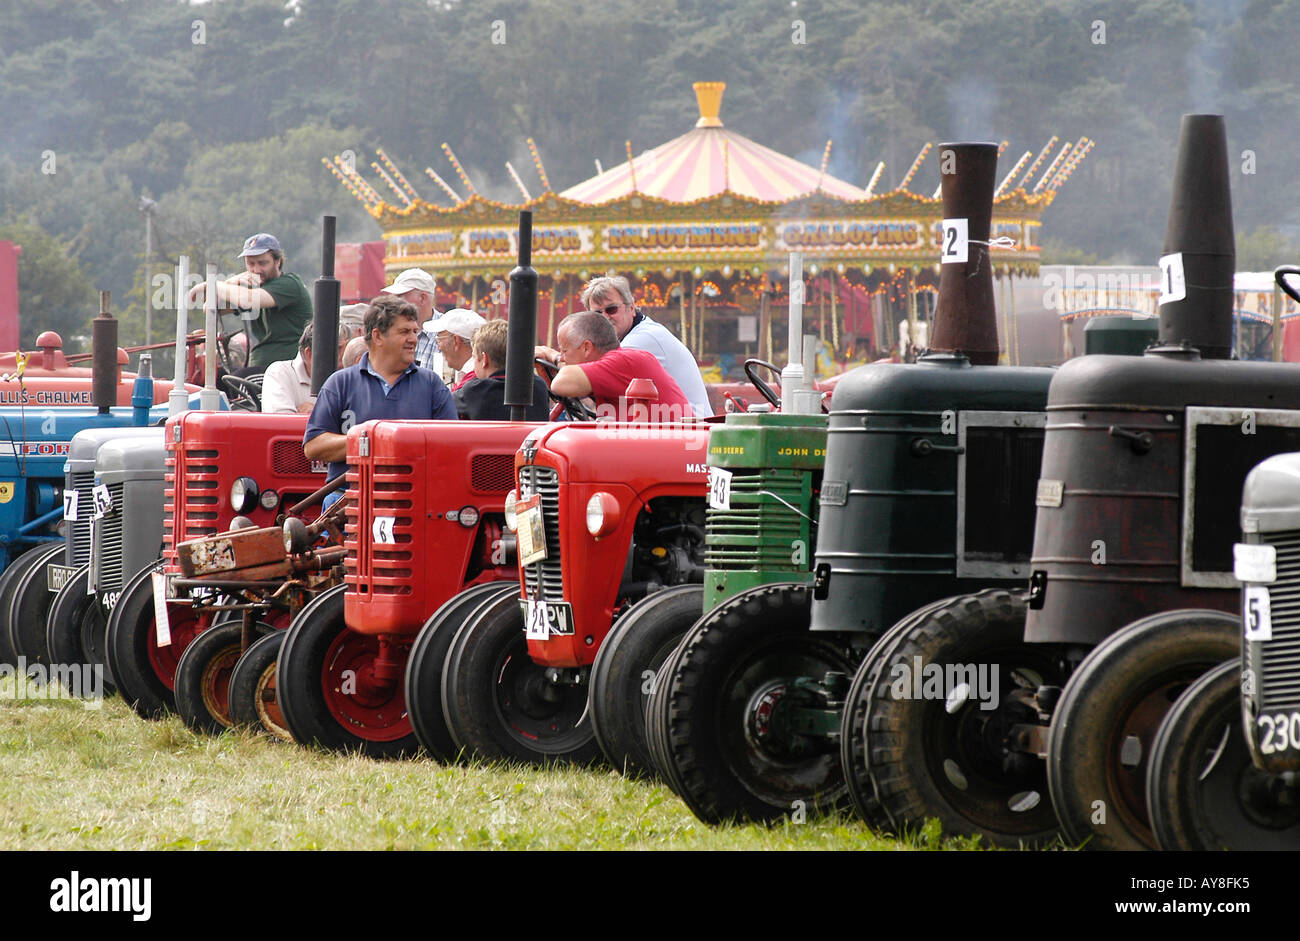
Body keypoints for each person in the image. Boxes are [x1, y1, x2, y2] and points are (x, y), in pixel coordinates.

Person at [304, 296, 458, 495]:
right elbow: (313, 447)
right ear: (377, 336)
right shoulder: (340, 383)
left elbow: (451, 448)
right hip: (347, 502)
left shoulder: (432, 385)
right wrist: (367, 441)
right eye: (404, 332)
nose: (413, 339)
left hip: (413, 499)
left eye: (414, 331)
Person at [580, 275, 712, 417]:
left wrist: (557, 358)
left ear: (631, 308)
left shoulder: (642, 338)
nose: (605, 317)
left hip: (691, 430)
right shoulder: (637, 333)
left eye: (611, 309)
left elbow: (585, 380)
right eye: (598, 314)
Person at [188, 233, 313, 371]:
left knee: (234, 381)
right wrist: (231, 282)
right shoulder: (249, 289)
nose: (256, 270)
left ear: (278, 261)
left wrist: (212, 284)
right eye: (251, 264)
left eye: (263, 263)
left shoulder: (289, 285)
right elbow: (210, 308)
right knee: (223, 379)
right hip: (261, 365)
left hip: (288, 367)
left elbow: (246, 300)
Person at [542, 311, 693, 419]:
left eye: (564, 351)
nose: (562, 357)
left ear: (587, 347)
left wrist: (552, 356)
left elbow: (560, 384)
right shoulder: (614, 366)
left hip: (668, 453)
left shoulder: (621, 362)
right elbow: (561, 395)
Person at [453, 320, 552, 421]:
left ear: (484, 359)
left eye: (474, 357)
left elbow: (447, 404)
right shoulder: (539, 386)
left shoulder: (474, 390)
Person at [261, 321, 353, 414]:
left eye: (347, 347)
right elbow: (282, 423)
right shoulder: (280, 373)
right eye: (337, 349)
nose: (344, 355)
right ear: (310, 354)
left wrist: (317, 412)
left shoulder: (352, 377)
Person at [379, 269, 441, 371]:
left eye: (400, 297)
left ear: (422, 298)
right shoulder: (389, 329)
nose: (394, 303)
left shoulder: (447, 331)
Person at [434, 308, 486, 390]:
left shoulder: (474, 382)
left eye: (439, 339)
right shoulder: (478, 375)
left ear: (456, 341)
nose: (438, 347)